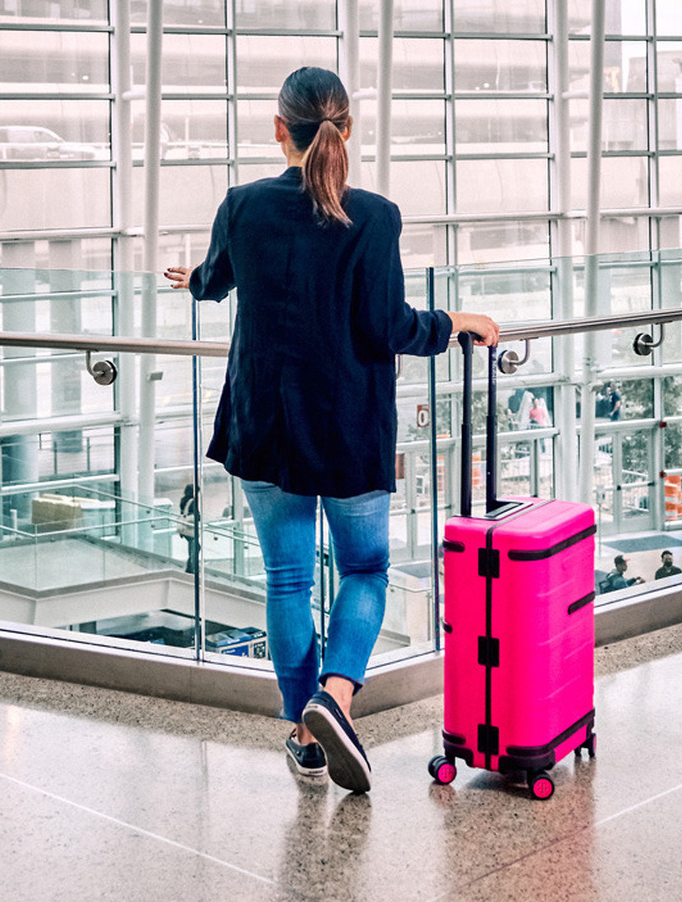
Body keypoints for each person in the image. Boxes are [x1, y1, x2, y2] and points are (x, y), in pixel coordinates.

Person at [164, 67, 499, 794]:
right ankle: (335, 700)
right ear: (348, 130)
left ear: (277, 129)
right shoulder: (376, 216)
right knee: (366, 571)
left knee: (286, 578)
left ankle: (303, 733)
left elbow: (216, 280)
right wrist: (456, 324)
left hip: (267, 422)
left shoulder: (243, 206)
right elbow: (388, 327)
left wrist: (190, 279)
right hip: (347, 423)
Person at [177, 484, 200, 575]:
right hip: (190, 528)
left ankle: (191, 566)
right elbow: (195, 515)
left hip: (185, 528)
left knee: (194, 547)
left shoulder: (183, 500)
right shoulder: (192, 501)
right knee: (195, 547)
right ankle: (191, 568)